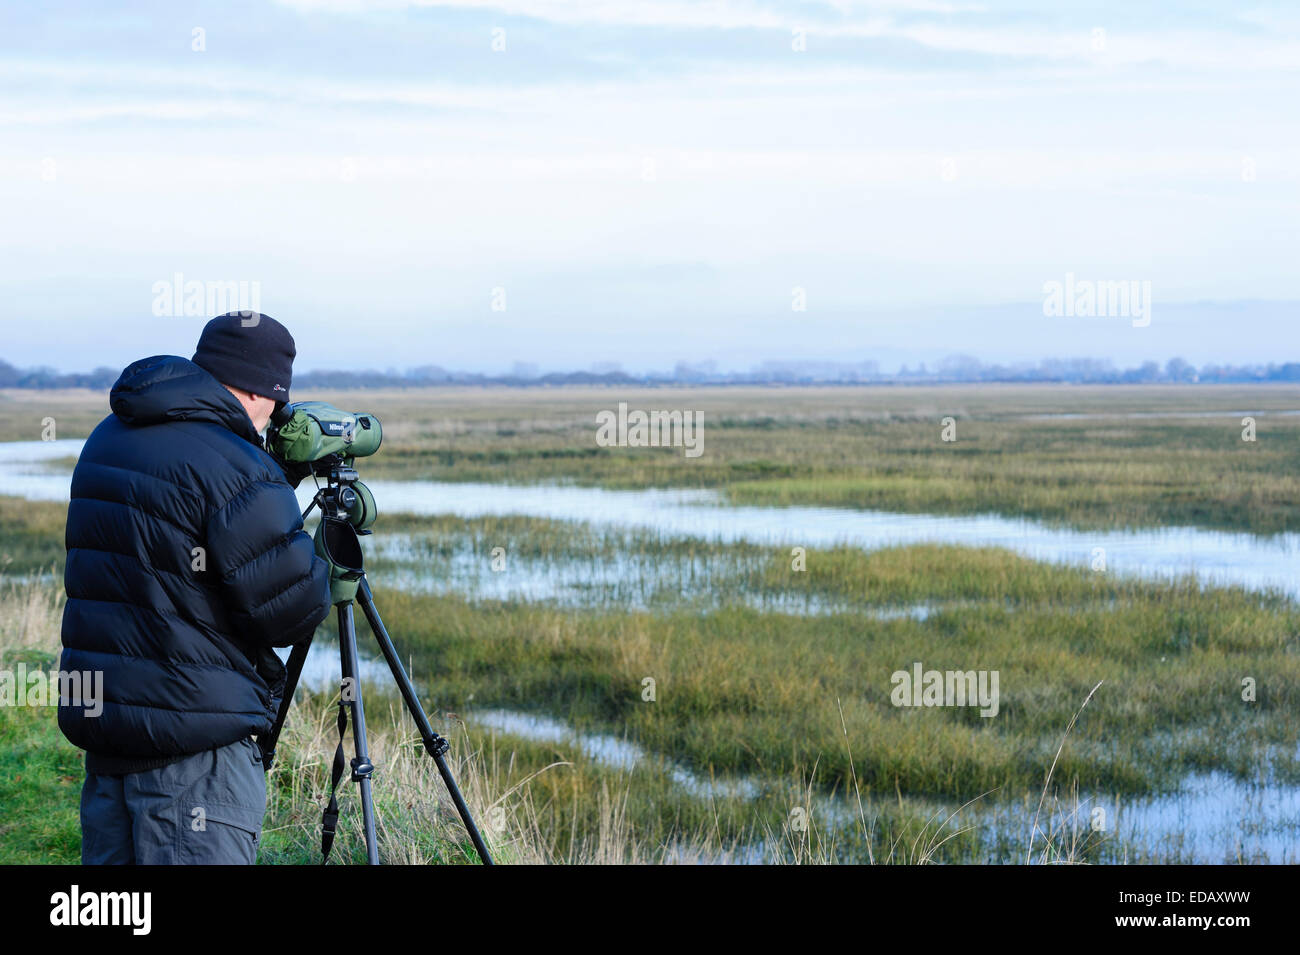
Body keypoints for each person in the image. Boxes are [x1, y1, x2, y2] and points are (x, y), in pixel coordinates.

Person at [58, 311, 332, 864]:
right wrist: (325, 553)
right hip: (194, 747)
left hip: (110, 728)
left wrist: (270, 487)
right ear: (260, 389)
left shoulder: (110, 435)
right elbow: (287, 613)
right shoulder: (235, 464)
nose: (276, 415)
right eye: (277, 399)